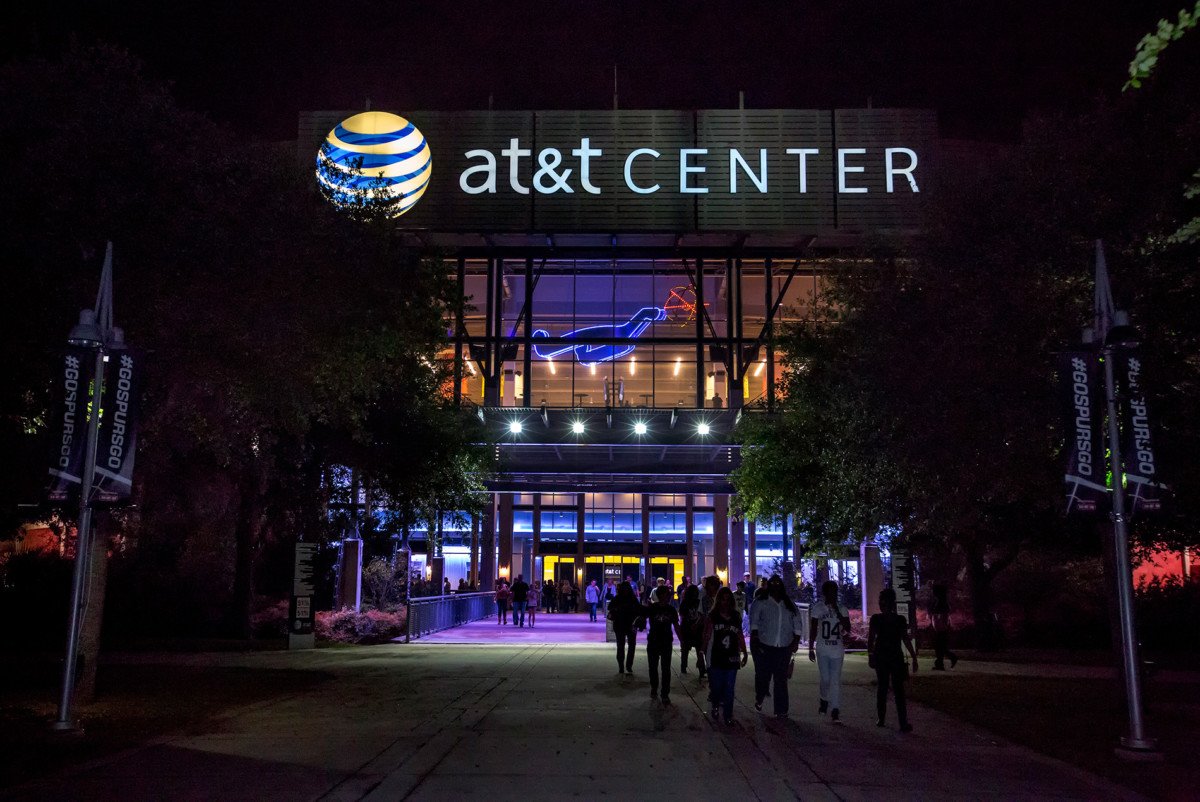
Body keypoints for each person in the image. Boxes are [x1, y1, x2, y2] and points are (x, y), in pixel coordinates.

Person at [749, 574, 803, 718]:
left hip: (784, 646)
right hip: (765, 646)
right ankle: (759, 699)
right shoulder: (760, 602)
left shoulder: (789, 604)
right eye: (772, 583)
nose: (775, 585)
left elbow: (797, 623)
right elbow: (753, 622)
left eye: (778, 583)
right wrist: (755, 641)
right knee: (763, 677)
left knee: (781, 679)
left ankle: (781, 710)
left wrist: (796, 641)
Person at [867, 587, 918, 732]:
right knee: (898, 691)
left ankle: (881, 718)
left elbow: (871, 640)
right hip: (896, 657)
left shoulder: (876, 619)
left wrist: (871, 655)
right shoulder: (899, 620)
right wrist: (913, 657)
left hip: (881, 656)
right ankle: (902, 722)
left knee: (882, 688)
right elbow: (906, 639)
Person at [704, 587, 748, 725]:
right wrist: (701, 652)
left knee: (729, 687)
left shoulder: (735, 616)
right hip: (716, 656)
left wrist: (745, 651)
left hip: (732, 656)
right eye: (722, 600)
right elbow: (707, 635)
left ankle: (728, 715)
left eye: (728, 600)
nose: (725, 603)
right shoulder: (713, 616)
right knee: (716, 686)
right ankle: (716, 705)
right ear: (718, 601)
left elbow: (739, 634)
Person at [808, 579, 851, 722]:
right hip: (823, 648)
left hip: (837, 649)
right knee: (825, 679)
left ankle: (835, 709)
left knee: (835, 680)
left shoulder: (842, 608)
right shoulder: (818, 608)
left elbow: (847, 628)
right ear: (825, 594)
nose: (833, 595)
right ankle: (823, 698)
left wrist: (837, 611)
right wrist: (810, 648)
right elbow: (814, 628)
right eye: (830, 592)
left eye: (835, 592)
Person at [644, 586, 682, 704]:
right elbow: (641, 617)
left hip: (666, 641)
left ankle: (665, 693)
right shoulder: (652, 608)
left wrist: (682, 641)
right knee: (653, 667)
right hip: (654, 641)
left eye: (668, 595)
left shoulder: (671, 610)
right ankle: (654, 688)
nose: (667, 597)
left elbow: (676, 626)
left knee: (666, 669)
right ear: (660, 595)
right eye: (665, 595)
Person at [607, 581, 643, 675]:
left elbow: (610, 607)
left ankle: (621, 667)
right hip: (631, 625)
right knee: (631, 646)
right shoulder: (633, 599)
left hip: (619, 624)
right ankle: (628, 666)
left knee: (620, 646)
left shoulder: (617, 598)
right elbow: (640, 610)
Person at [678, 584, 706, 677]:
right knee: (694, 649)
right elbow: (682, 615)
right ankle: (699, 669)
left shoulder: (688, 602)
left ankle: (686, 667)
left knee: (689, 649)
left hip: (690, 628)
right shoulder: (689, 602)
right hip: (690, 628)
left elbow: (682, 616)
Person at [930, 582, 959, 670]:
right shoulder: (942, 602)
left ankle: (948, 659)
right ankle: (941, 663)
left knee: (939, 647)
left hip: (940, 628)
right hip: (941, 628)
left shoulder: (940, 603)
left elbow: (940, 616)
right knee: (940, 646)